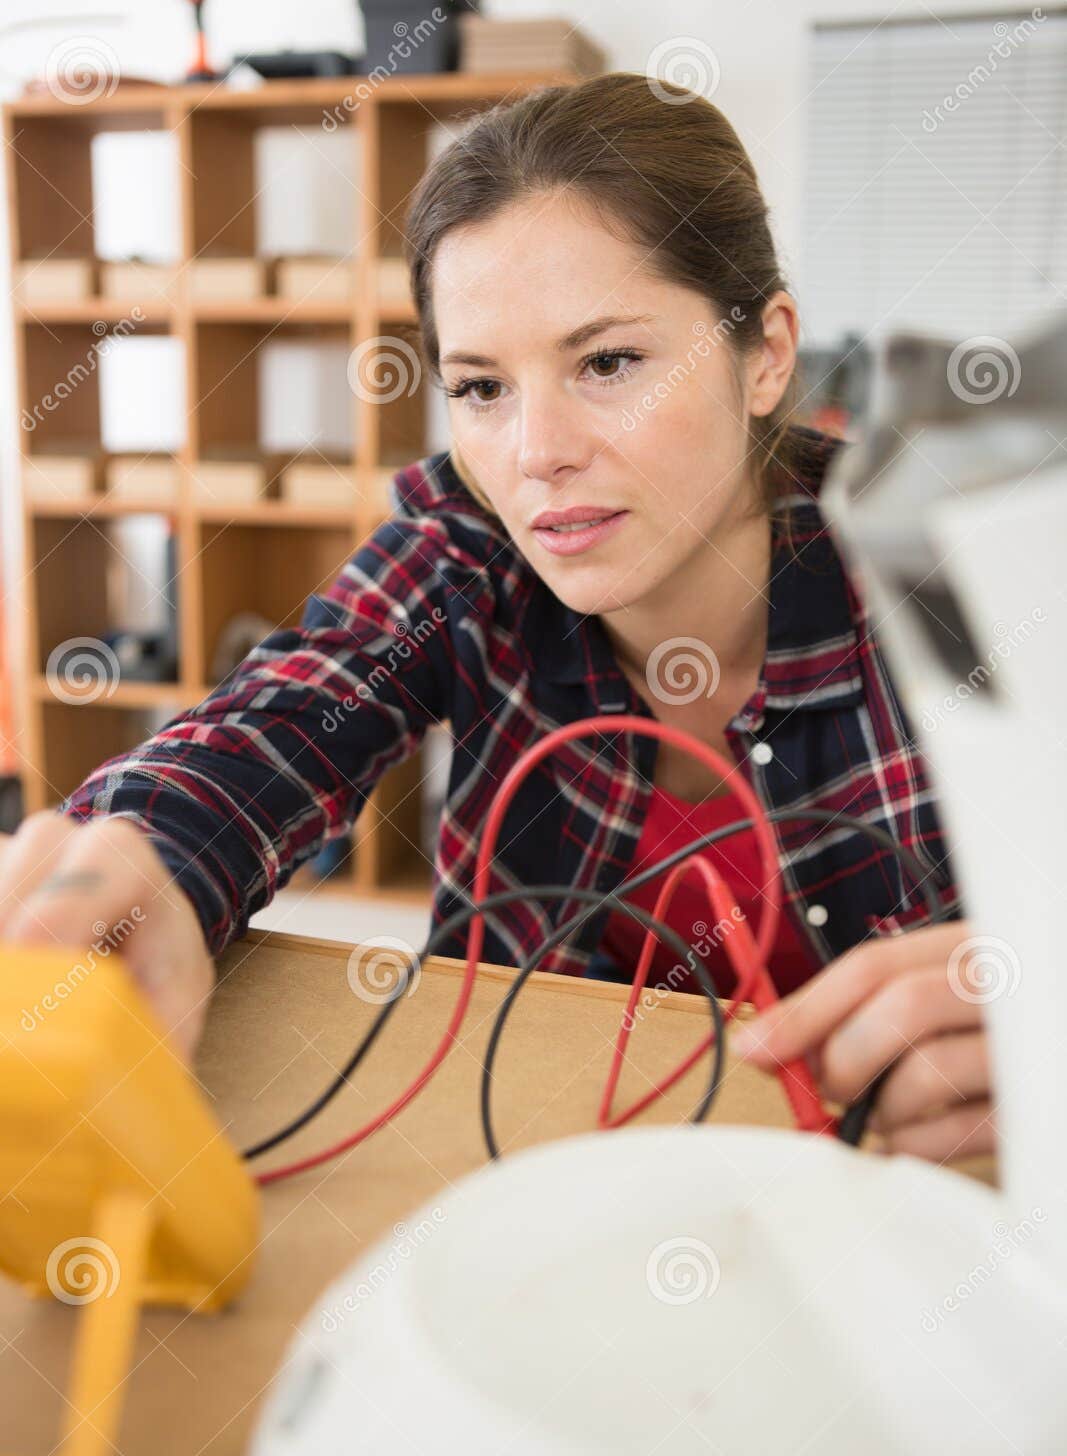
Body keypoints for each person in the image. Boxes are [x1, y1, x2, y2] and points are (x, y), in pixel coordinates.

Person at [0, 73, 993, 1164]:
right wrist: (152, 858)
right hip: (543, 1197)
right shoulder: (467, 553)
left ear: (763, 354)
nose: (534, 453)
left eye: (607, 362)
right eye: (481, 387)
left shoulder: (951, 581)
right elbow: (286, 710)